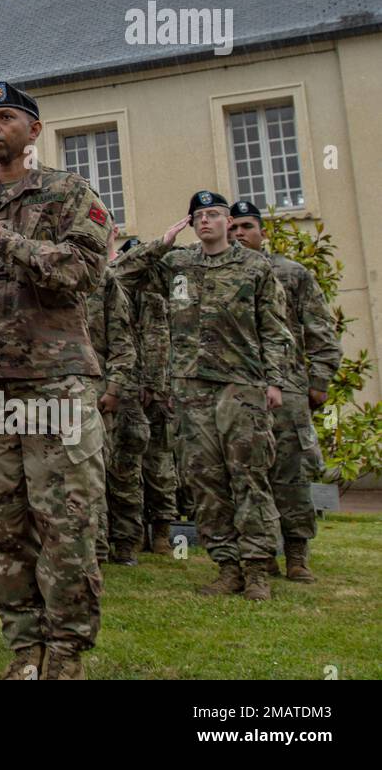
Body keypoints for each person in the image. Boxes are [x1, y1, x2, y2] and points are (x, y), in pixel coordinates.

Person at [0, 82, 110, 680]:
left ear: (34, 131)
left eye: (7, 117)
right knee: (2, 525)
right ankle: (25, 653)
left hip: (57, 384)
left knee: (65, 522)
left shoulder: (68, 192)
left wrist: (5, 240)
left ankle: (66, 653)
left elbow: (87, 269)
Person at [115, 191, 293, 601]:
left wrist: (275, 381)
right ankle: (227, 567)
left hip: (242, 386)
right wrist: (161, 242)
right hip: (191, 390)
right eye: (198, 216)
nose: (205, 221)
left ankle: (258, 568)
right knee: (206, 481)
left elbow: (274, 330)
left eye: (214, 215)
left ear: (229, 222)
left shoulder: (254, 267)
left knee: (248, 477)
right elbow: (119, 274)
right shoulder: (178, 265)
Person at [228, 199, 342, 583]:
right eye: (234, 228)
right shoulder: (221, 275)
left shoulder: (292, 274)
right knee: (248, 474)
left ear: (262, 231)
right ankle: (261, 553)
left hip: (288, 387)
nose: (239, 234)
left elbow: (320, 329)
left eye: (246, 226)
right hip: (239, 387)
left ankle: (297, 551)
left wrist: (320, 381)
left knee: (290, 473)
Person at [116, 236, 179, 553]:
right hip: (128, 388)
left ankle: (165, 532)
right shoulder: (121, 289)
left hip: (159, 390)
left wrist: (159, 386)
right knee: (128, 463)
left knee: (160, 463)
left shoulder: (161, 295)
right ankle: (135, 531)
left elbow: (164, 343)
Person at [87, 225, 144, 566]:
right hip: (63, 392)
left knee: (110, 471)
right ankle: (92, 547)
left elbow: (123, 344)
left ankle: (121, 543)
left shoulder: (106, 283)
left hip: (101, 392)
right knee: (80, 476)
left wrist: (114, 389)